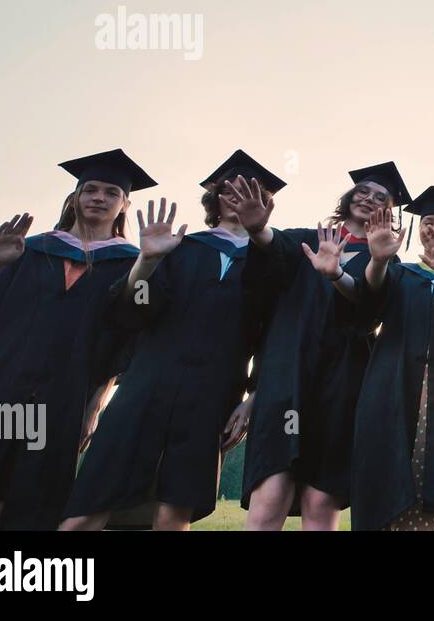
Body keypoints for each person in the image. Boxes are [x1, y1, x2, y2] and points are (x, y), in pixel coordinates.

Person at [61, 151, 285, 530]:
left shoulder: (276, 263)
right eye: (229, 189)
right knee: (91, 504)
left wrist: (253, 400)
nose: (238, 196)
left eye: (251, 190)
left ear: (264, 204)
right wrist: (147, 261)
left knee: (175, 510)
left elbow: (277, 338)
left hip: (214, 394)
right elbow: (133, 312)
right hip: (145, 385)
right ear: (214, 199)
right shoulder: (180, 247)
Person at [0, 148, 155, 529]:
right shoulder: (28, 249)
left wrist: (95, 405)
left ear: (124, 204)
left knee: (23, 499)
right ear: (75, 198)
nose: (98, 198)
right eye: (90, 189)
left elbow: (124, 340)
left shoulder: (129, 264)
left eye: (110, 192)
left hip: (62, 400)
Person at [226, 161, 411, 530]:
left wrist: (348, 271)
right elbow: (272, 248)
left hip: (343, 386)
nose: (369, 199)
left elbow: (370, 312)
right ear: (348, 197)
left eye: (380, 197)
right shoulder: (305, 239)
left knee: (321, 500)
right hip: (286, 380)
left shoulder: (387, 260)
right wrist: (258, 227)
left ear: (388, 212)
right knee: (271, 492)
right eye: (363, 191)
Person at [343, 186, 434, 531]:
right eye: (427, 221)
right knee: (386, 478)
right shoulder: (398, 272)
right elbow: (366, 313)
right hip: (389, 394)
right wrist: (378, 260)